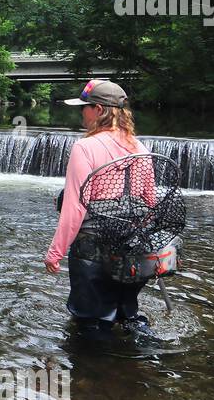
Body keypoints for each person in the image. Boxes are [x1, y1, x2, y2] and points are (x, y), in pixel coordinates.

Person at [45, 79, 154, 338]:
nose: (81, 112)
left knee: (91, 321)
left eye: (84, 107)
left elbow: (75, 206)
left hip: (92, 250)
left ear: (98, 110)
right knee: (125, 313)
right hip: (132, 247)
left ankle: (92, 370)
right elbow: (150, 202)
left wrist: (55, 252)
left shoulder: (85, 147)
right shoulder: (141, 148)